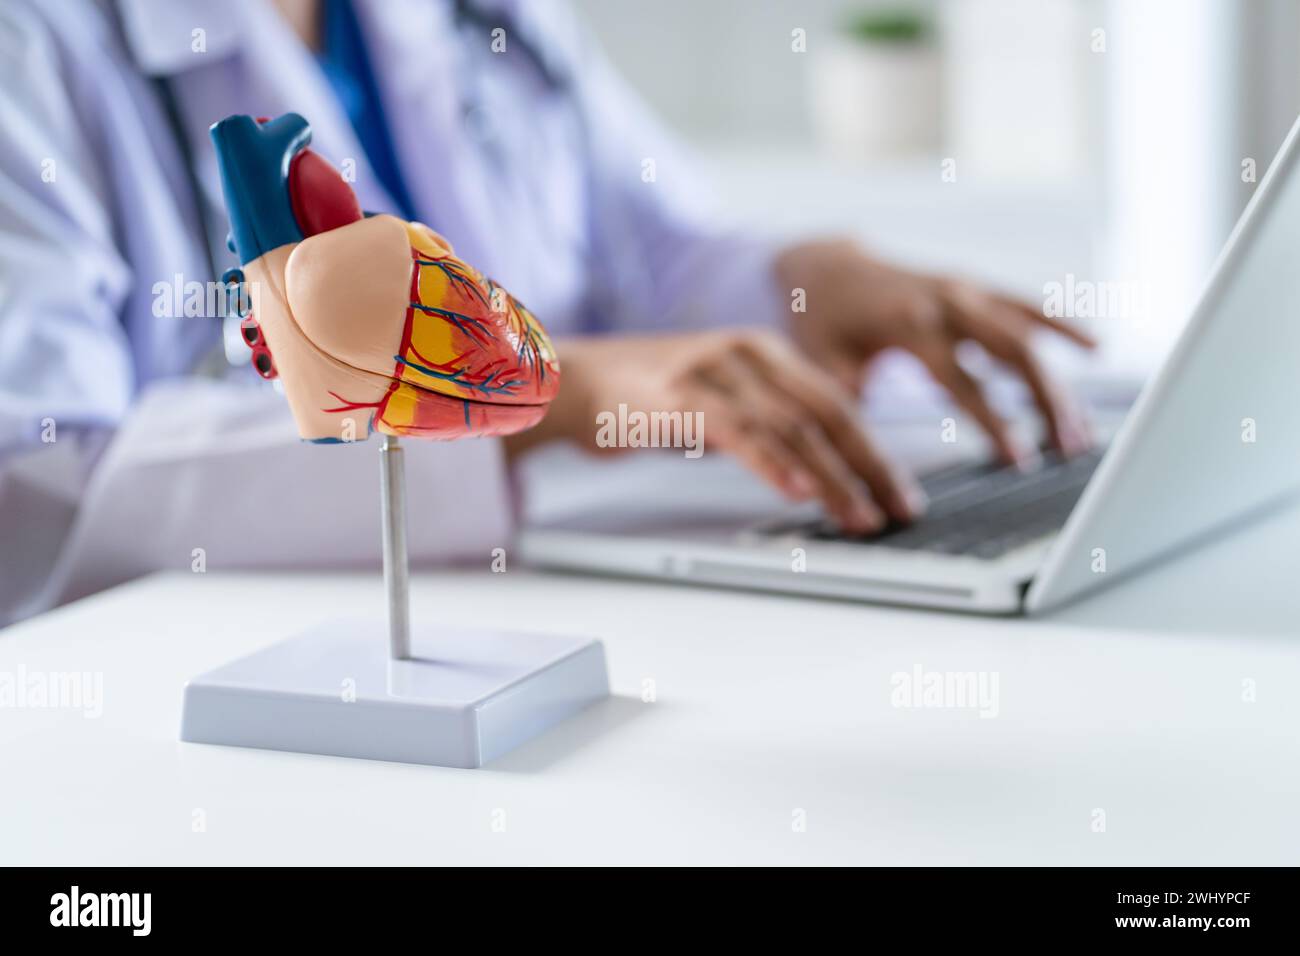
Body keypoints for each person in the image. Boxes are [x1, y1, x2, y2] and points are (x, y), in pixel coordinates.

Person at [0, 0, 1092, 624]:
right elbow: (33, 487)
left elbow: (647, 249)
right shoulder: (34, 47)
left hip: (540, 606)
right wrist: (551, 393)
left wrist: (800, 285)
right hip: (208, 689)